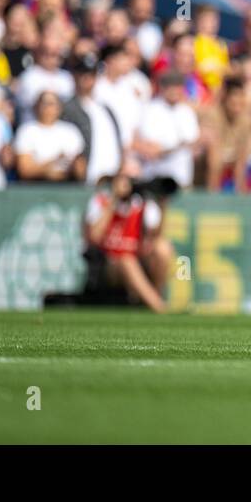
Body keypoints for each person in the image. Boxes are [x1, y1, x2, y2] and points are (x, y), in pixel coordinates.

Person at [82, 173, 172, 313]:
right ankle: (160, 308)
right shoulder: (101, 200)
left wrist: (163, 205)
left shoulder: (143, 203)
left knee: (163, 248)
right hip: (107, 263)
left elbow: (154, 237)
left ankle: (153, 297)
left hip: (136, 259)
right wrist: (115, 199)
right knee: (126, 260)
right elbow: (95, 236)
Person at [61, 54, 124, 185]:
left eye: (91, 74)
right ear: (74, 75)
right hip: (84, 180)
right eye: (82, 73)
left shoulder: (105, 108)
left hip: (110, 179)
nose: (86, 78)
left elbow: (118, 141)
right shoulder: (66, 108)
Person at [134, 70, 200, 188]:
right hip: (154, 176)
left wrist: (169, 148)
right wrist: (175, 146)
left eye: (178, 86)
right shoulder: (150, 109)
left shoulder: (187, 112)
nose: (175, 91)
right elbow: (152, 146)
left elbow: (192, 141)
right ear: (163, 88)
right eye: (171, 86)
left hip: (181, 177)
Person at [14, 90, 86, 183]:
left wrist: (75, 167)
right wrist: (51, 164)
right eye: (45, 103)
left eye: (52, 104)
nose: (48, 108)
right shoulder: (27, 131)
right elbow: (25, 169)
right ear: (37, 106)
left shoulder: (71, 131)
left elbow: (81, 169)